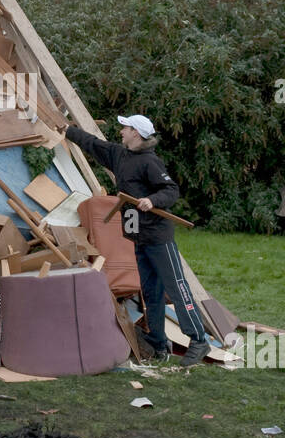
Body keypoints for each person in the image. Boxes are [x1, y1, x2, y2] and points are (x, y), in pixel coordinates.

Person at [63, 114, 213, 366]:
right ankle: (157, 342)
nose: (121, 131)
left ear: (136, 133)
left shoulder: (149, 162)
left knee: (176, 288)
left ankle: (198, 339)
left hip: (157, 236)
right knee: (150, 292)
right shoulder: (119, 155)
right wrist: (67, 130)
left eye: (125, 128)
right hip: (139, 237)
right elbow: (91, 143)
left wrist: (153, 200)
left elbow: (170, 190)